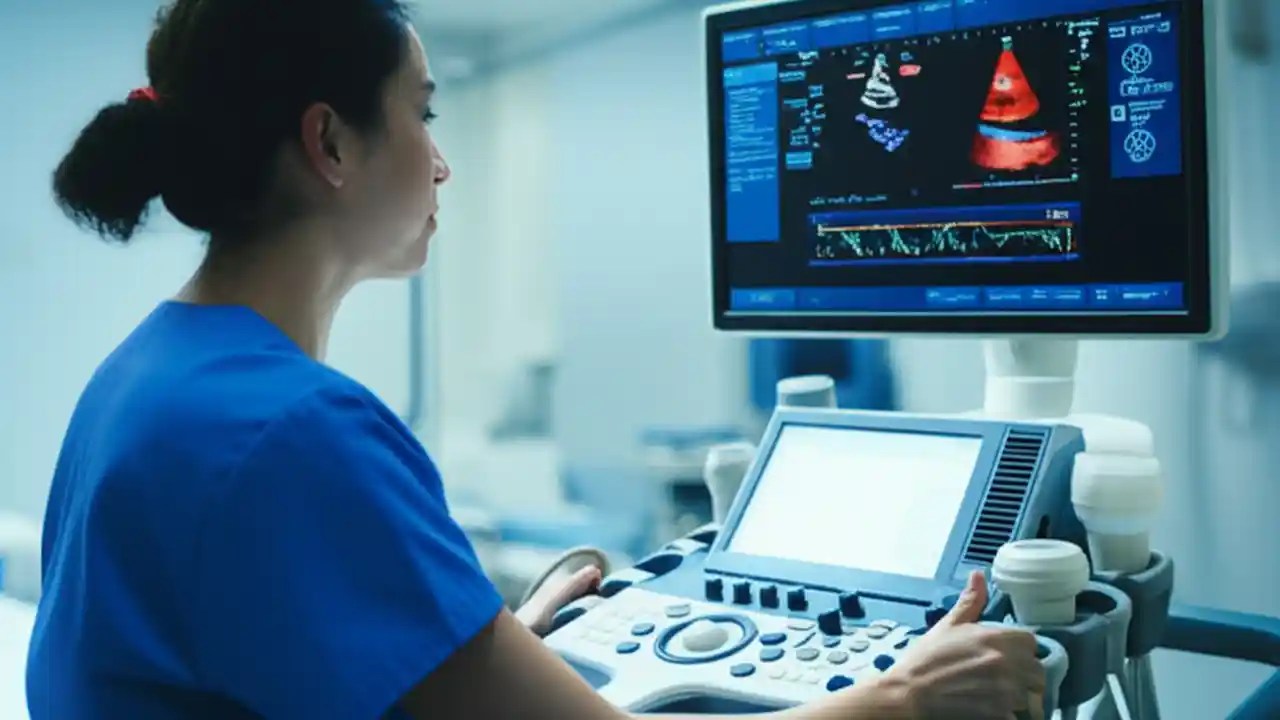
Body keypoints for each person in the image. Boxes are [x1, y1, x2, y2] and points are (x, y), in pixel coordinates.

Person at [26, 1, 1047, 718]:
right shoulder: (291, 430)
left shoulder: (146, 377)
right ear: (330, 144)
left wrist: (493, 644)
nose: (440, 159)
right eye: (422, 113)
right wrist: (902, 699)